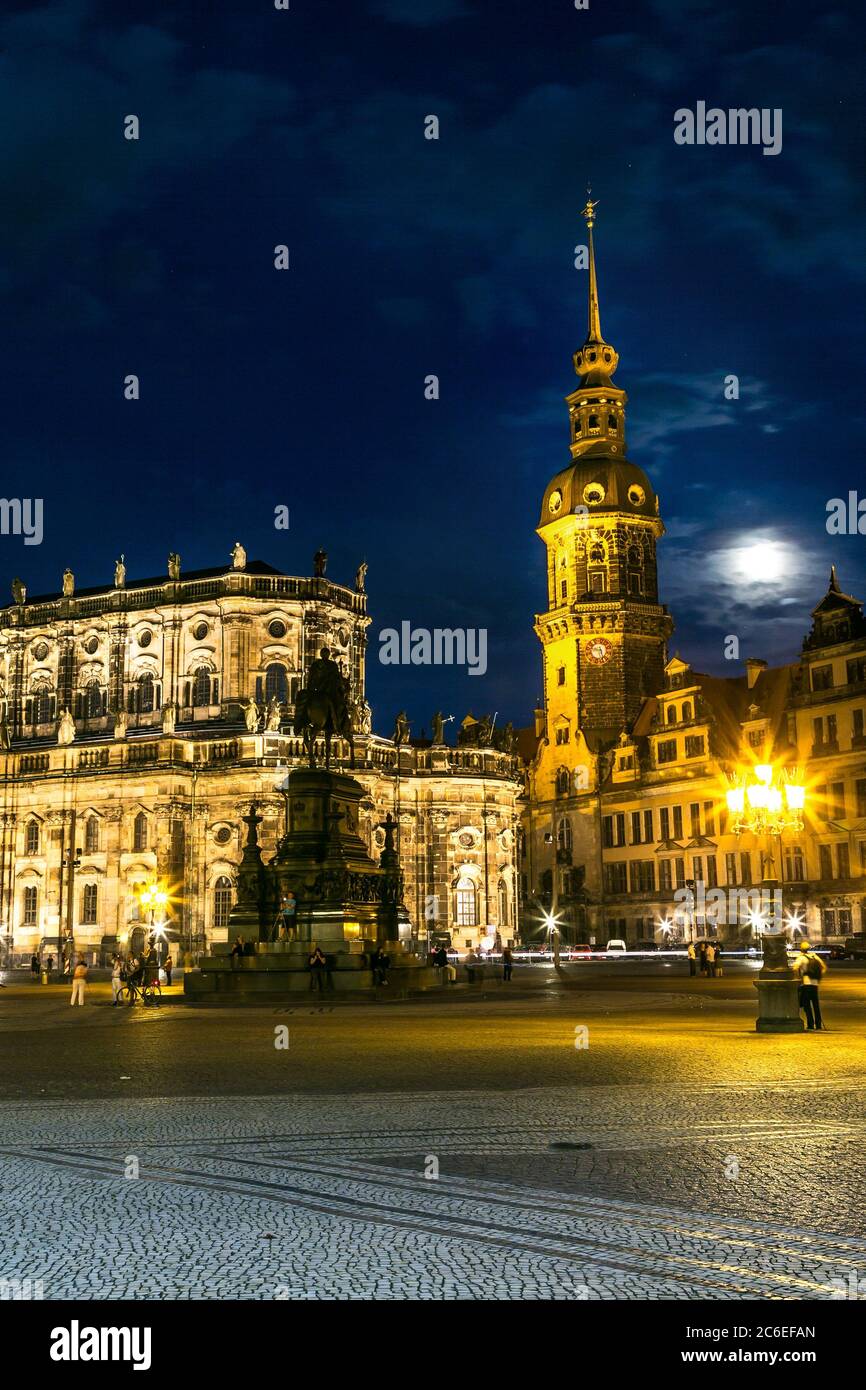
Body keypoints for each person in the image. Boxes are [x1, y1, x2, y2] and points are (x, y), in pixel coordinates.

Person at [791, 941, 827, 1030]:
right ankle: (818, 1024)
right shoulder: (814, 956)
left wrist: (799, 978)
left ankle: (810, 1024)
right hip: (815, 984)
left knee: (807, 1005)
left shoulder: (801, 958)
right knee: (816, 1005)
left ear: (801, 949)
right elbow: (824, 967)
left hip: (806, 983)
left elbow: (795, 968)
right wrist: (819, 977)